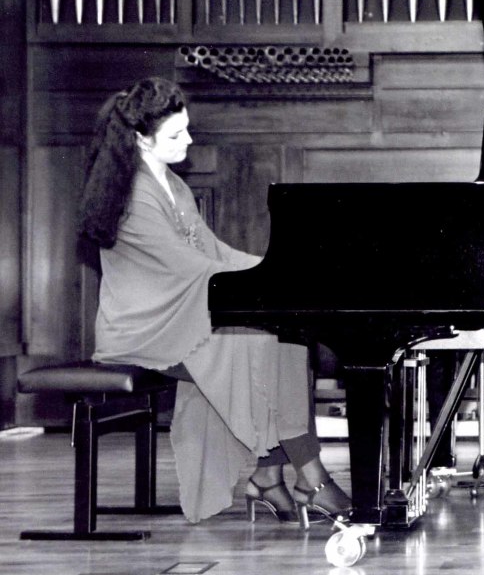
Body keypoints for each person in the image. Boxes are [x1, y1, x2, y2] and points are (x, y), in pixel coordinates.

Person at [78, 76, 351, 526]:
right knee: (264, 345)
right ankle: (311, 479)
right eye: (175, 134)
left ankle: (268, 476)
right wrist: (266, 280)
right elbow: (187, 266)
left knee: (288, 339)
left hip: (182, 315)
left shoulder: (174, 186)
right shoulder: (132, 195)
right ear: (139, 139)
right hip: (144, 330)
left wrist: (275, 271)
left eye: (187, 128)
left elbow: (213, 252)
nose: (189, 140)